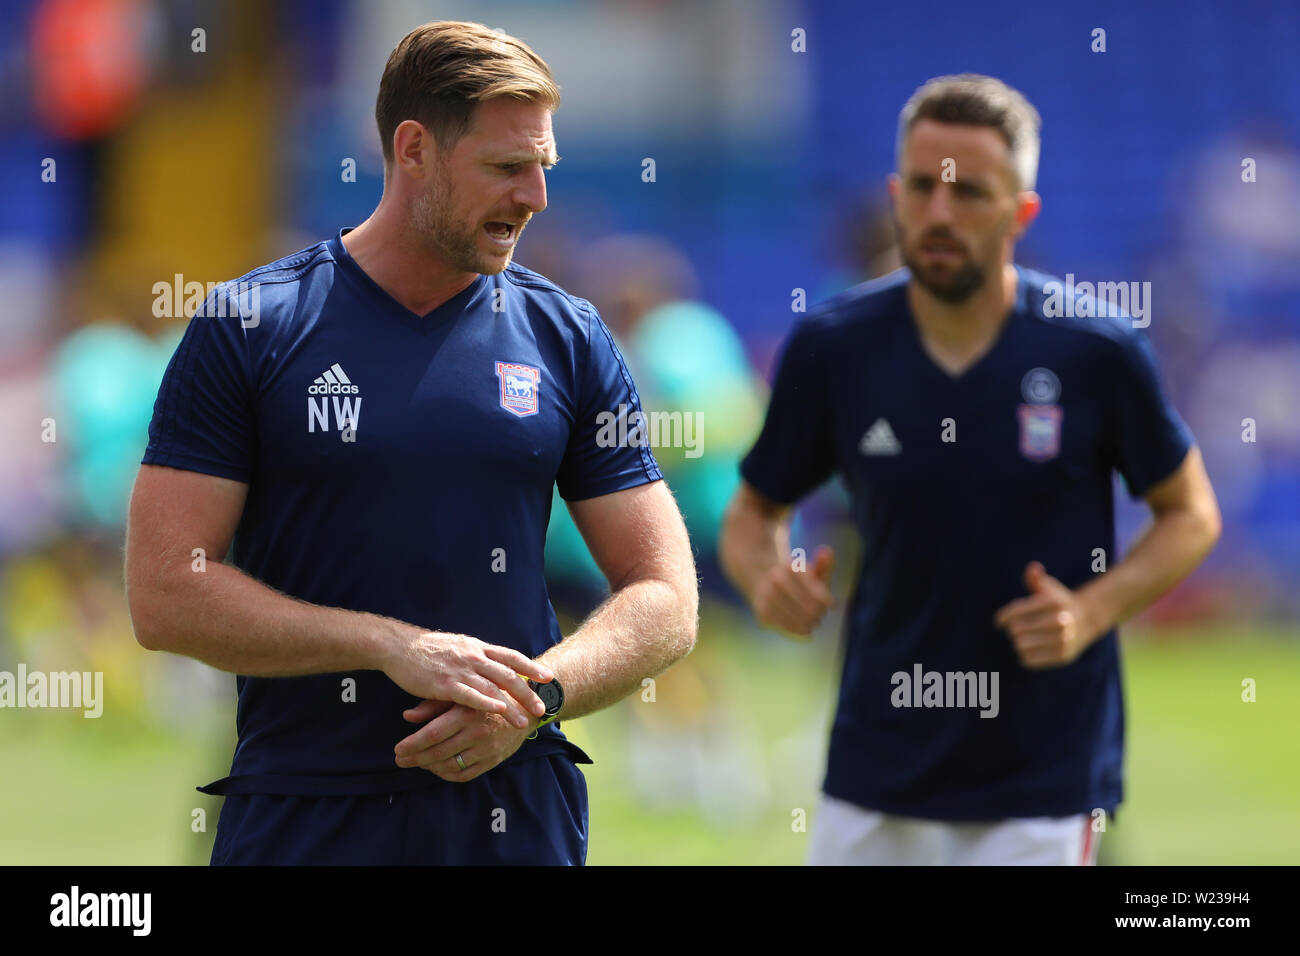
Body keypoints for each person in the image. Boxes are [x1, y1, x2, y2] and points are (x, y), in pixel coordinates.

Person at [124, 20, 698, 865]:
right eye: (506, 167)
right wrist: (392, 648)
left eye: (544, 166)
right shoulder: (251, 326)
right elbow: (164, 591)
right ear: (414, 149)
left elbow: (664, 593)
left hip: (513, 812)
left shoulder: (567, 336)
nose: (536, 196)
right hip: (303, 811)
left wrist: (536, 696)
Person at [720, 74, 1221, 866]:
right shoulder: (834, 347)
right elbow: (753, 513)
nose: (940, 215)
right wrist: (764, 577)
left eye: (971, 194)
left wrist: (1092, 612)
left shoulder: (1095, 350)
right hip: (870, 771)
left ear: (1022, 212)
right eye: (922, 188)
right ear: (895, 195)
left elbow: (1191, 512)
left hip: (1039, 786)